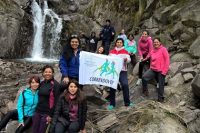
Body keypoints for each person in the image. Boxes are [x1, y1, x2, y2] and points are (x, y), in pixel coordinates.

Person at [32, 65, 61, 133]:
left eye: (49, 72)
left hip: (47, 113)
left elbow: (56, 102)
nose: (47, 73)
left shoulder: (55, 85)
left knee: (41, 131)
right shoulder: (41, 83)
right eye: (46, 72)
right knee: (34, 130)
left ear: (52, 73)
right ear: (43, 73)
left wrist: (51, 115)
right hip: (38, 111)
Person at [107, 38, 133, 110]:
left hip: (122, 71)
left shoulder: (125, 51)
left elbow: (129, 60)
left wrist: (126, 60)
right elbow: (107, 59)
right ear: (116, 43)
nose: (119, 43)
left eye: (120, 42)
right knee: (112, 86)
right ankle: (112, 104)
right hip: (113, 71)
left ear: (122, 43)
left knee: (125, 84)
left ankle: (127, 102)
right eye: (117, 42)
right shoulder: (111, 52)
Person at [142, 37, 170, 102]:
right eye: (154, 42)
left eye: (157, 42)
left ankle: (160, 99)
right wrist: (144, 59)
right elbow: (149, 56)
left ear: (160, 43)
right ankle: (145, 90)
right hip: (153, 69)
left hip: (161, 70)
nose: (155, 43)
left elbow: (167, 60)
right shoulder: (152, 50)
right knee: (144, 77)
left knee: (161, 85)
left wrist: (164, 71)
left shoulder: (163, 49)